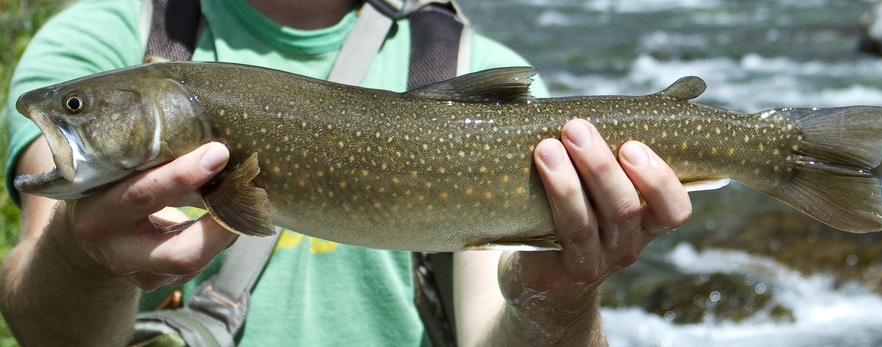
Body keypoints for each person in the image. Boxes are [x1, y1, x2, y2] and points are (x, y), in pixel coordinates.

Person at [0, 0, 692, 345]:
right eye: (77, 108)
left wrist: (559, 297)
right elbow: (39, 318)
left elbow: (499, 325)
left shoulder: (466, 64)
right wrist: (79, 255)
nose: (66, 115)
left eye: (76, 109)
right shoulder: (104, 36)